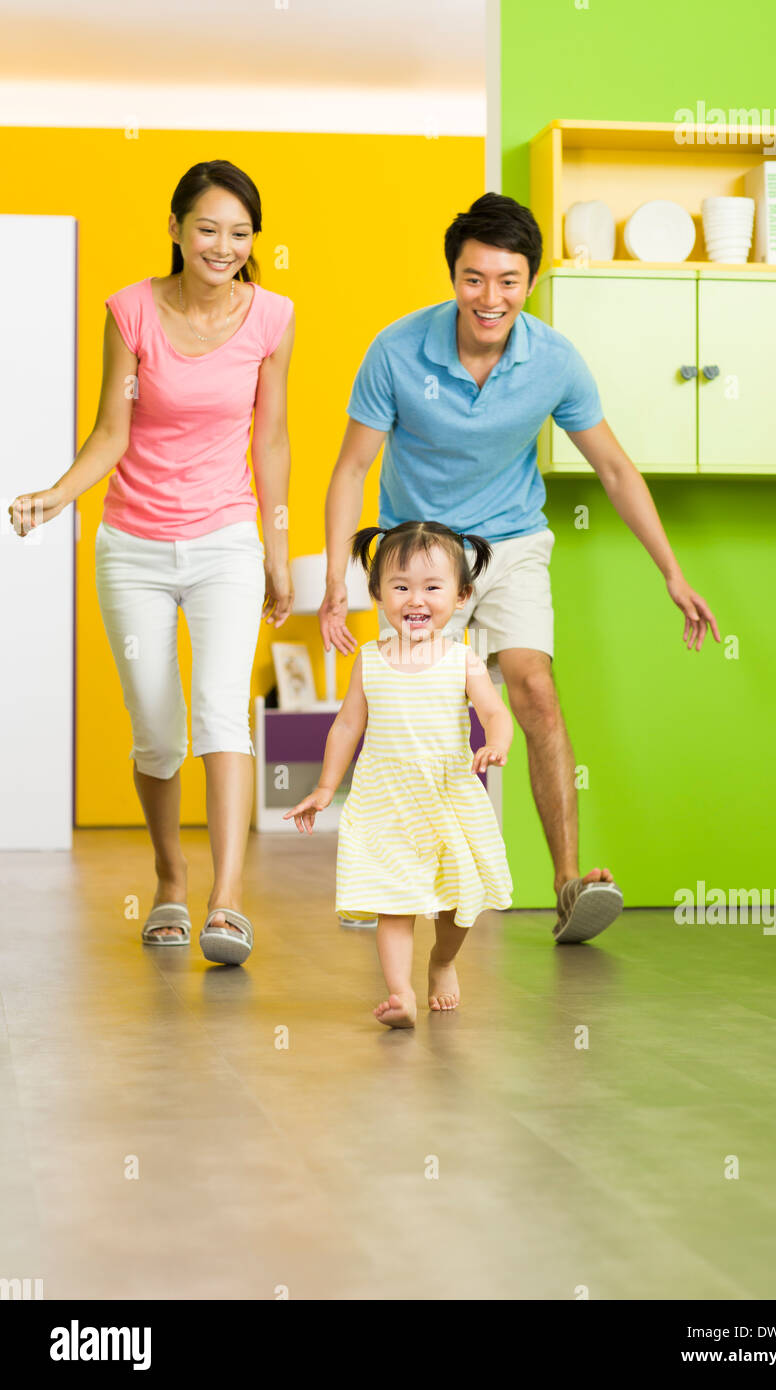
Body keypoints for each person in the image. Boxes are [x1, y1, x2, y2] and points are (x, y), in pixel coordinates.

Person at [317, 192, 720, 945]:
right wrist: (339, 583)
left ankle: (568, 886)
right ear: (453, 277)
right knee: (411, 718)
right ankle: (393, 886)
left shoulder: (554, 360)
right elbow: (351, 469)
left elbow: (615, 470)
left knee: (533, 685)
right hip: (421, 558)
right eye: (474, 279)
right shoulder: (397, 351)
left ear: (529, 280)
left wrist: (673, 572)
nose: (490, 298)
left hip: (513, 543)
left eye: (508, 280)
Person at [7, 159, 294, 966]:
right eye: (208, 228)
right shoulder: (130, 310)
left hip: (226, 538)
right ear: (175, 229)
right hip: (131, 544)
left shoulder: (273, 317)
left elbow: (270, 441)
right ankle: (171, 878)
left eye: (240, 234)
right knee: (159, 729)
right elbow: (111, 432)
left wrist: (276, 546)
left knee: (220, 711)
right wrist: (58, 494)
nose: (224, 246)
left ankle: (226, 903)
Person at [284, 521, 514, 1028]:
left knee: (460, 901)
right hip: (385, 797)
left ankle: (443, 961)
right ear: (378, 594)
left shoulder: (463, 660)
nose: (416, 598)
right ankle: (400, 993)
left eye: (433, 587)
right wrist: (325, 787)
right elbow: (347, 726)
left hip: (447, 794)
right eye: (401, 586)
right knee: (394, 900)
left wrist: (495, 744)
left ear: (460, 597)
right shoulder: (370, 660)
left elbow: (496, 714)